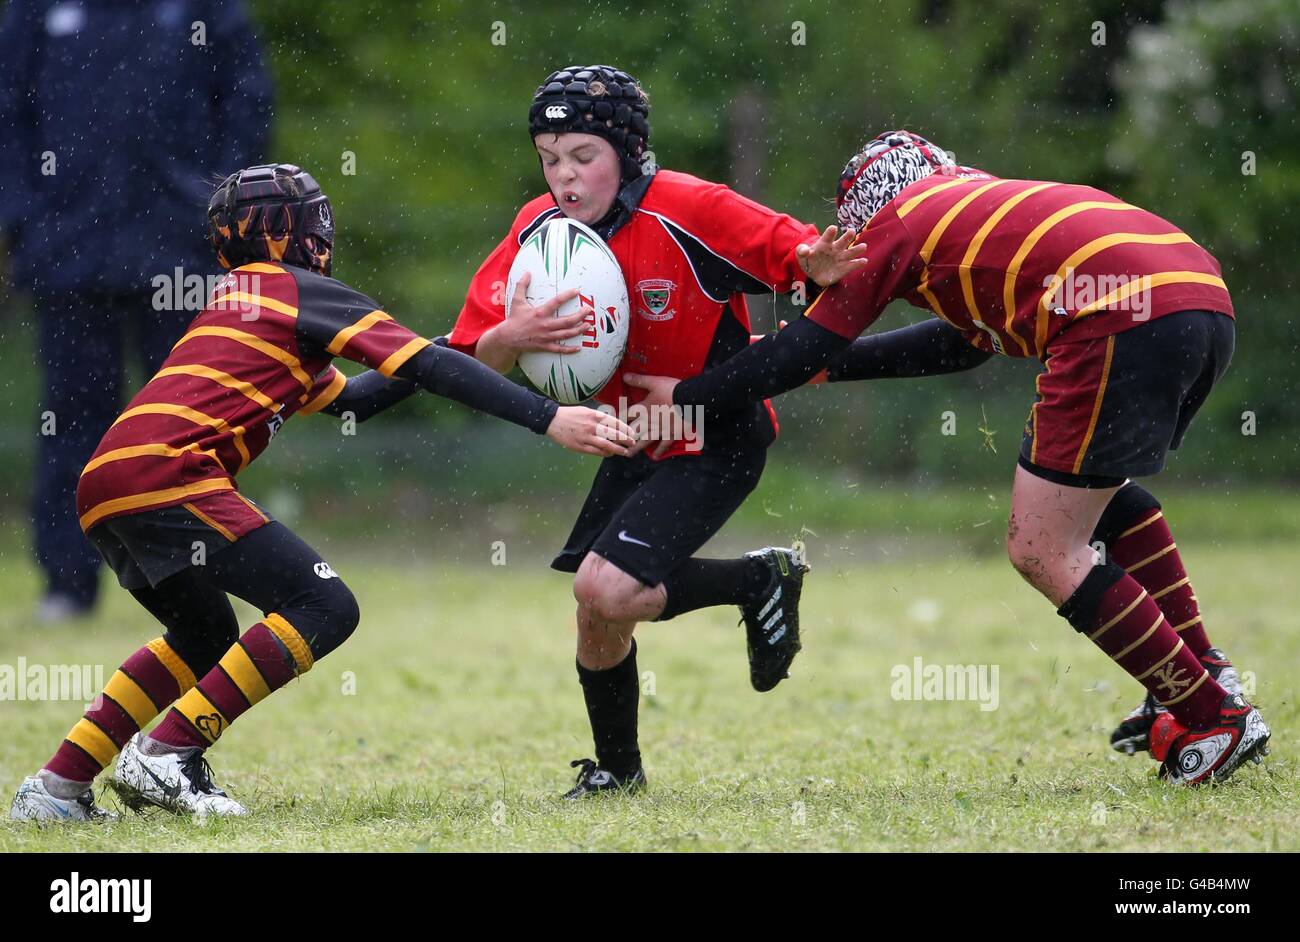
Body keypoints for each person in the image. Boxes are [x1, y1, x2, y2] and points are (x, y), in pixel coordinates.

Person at [627, 130, 1270, 786]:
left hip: (1116, 316)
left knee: (1042, 547)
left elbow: (804, 348)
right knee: (1102, 499)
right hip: (1198, 298)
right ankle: (1203, 671)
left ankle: (1210, 714)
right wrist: (816, 365)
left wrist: (689, 394)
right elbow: (961, 345)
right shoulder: (969, 203)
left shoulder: (895, 221)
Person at [10, 163, 634, 822]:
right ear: (300, 234)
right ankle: (169, 752)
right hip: (170, 473)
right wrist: (548, 416)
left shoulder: (242, 300)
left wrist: (491, 340)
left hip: (110, 481)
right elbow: (426, 366)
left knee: (203, 633)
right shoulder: (298, 289)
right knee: (325, 603)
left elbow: (356, 400)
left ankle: (55, 789)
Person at [447, 65, 866, 798]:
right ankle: (618, 770)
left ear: (628, 150)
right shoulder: (537, 231)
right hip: (633, 438)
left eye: (583, 155)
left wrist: (816, 265)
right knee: (595, 612)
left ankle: (754, 580)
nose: (564, 177)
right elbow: (477, 354)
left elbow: (802, 261)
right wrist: (513, 333)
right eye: (549, 159)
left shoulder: (690, 207)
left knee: (604, 587)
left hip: (717, 435)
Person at [0, 0, 274, 621]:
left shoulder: (207, 9)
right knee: (71, 418)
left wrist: (221, 210)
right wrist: (24, 219)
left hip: (182, 251)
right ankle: (66, 584)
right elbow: (8, 110)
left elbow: (246, 103)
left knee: (194, 421)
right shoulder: (37, 10)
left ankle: (202, 574)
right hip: (68, 252)